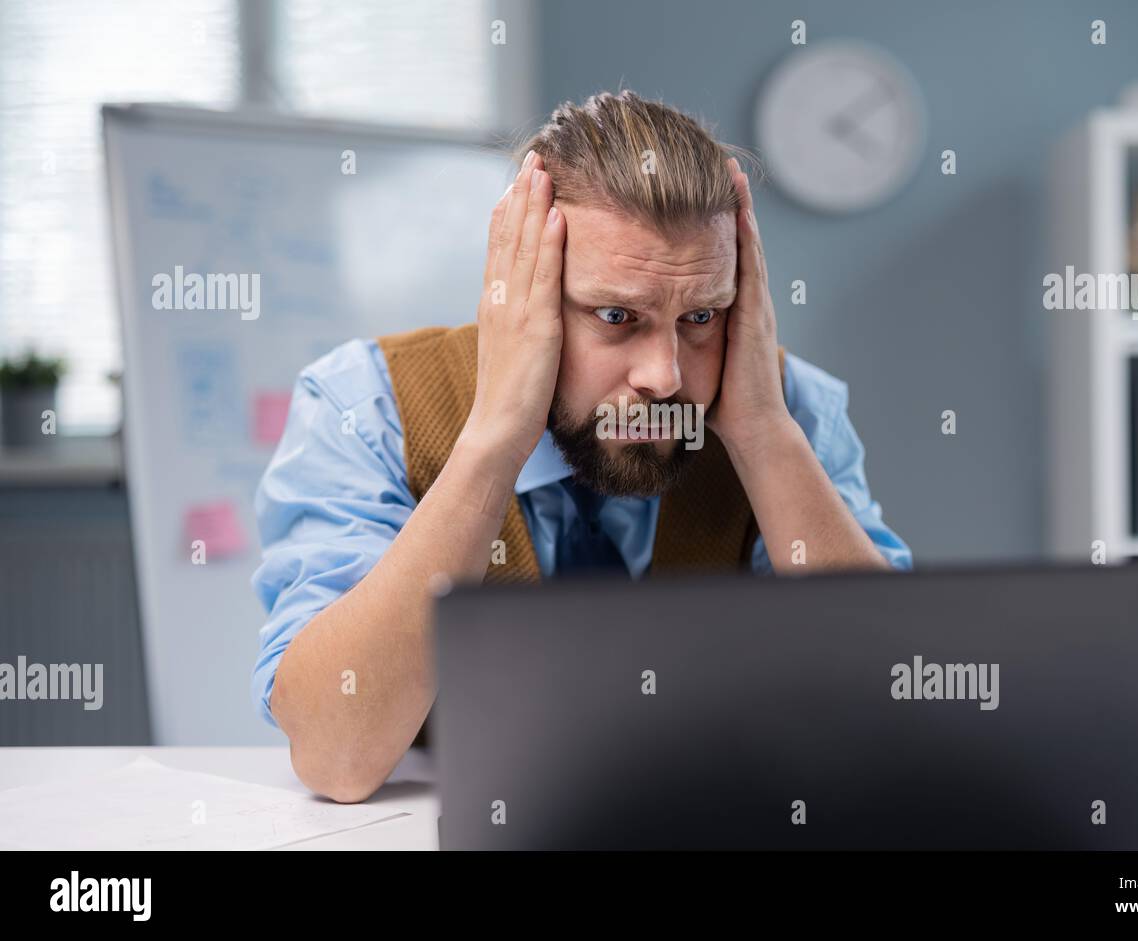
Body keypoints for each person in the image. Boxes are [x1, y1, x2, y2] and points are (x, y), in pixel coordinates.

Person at [251, 90, 910, 802]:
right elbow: (335, 754)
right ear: (520, 295)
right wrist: (495, 436)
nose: (664, 376)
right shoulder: (366, 407)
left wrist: (766, 437)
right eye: (616, 315)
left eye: (699, 315)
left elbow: (900, 717)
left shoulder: (790, 410)